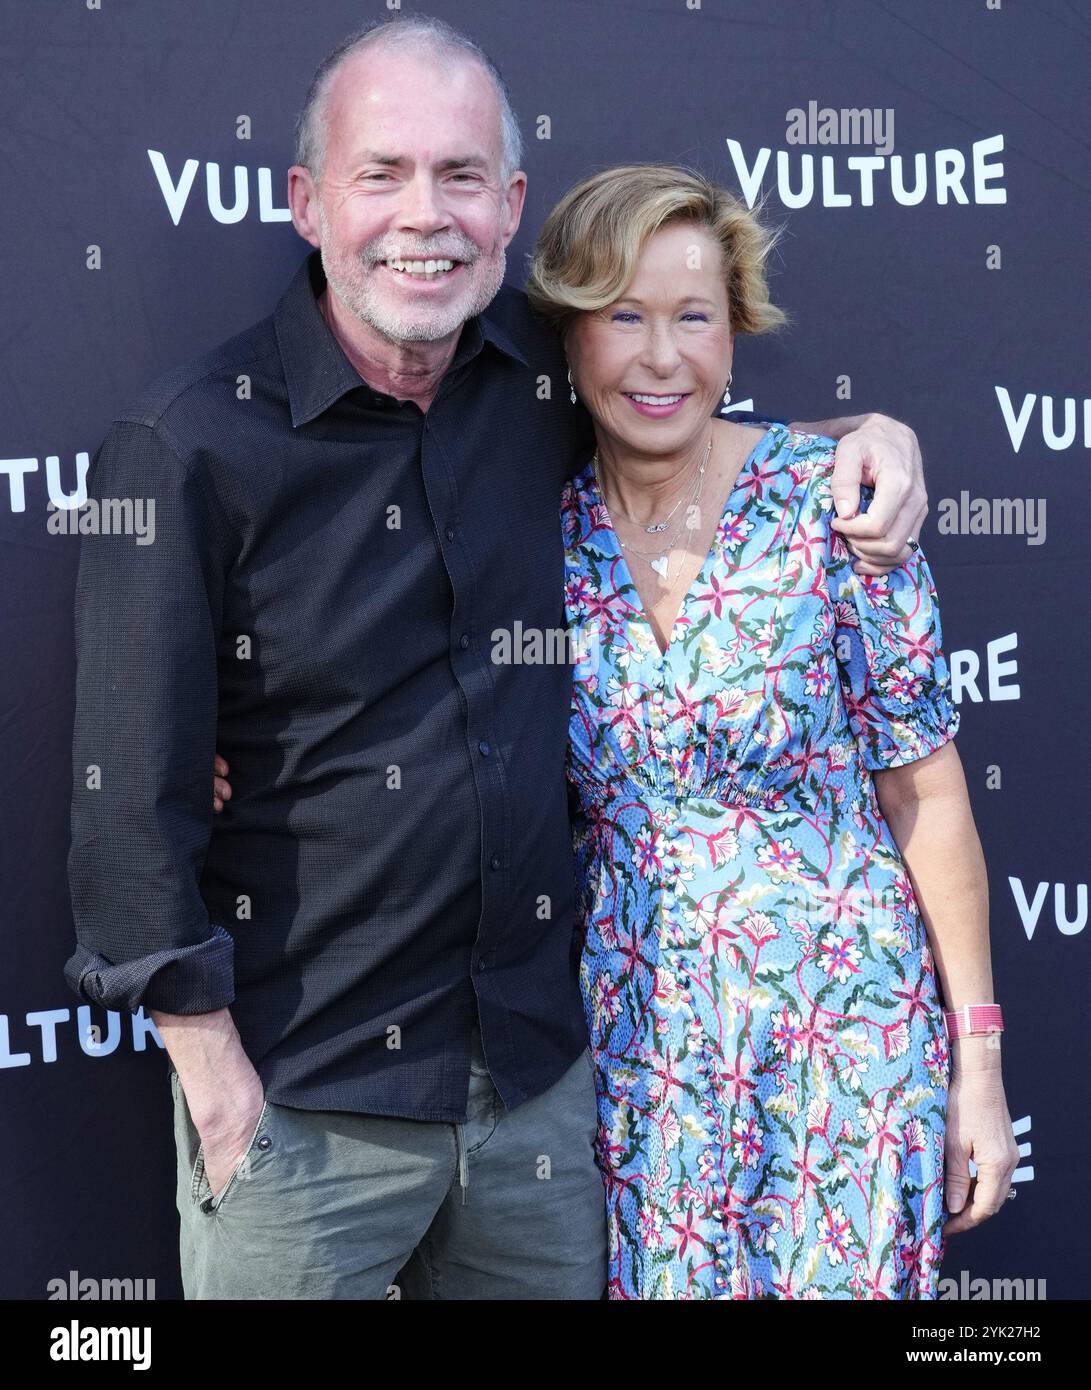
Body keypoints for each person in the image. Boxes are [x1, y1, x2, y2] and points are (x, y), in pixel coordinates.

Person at [68, 15, 933, 1301]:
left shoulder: (539, 376)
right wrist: (217, 1085)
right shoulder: (191, 444)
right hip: (307, 1111)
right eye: (383, 174)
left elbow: (681, 422)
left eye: (461, 176)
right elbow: (128, 812)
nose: (426, 216)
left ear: (509, 203)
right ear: (306, 201)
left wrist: (869, 435)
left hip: (542, 1098)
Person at [521, 163, 1019, 1298]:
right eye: (623, 317)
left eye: (693, 316)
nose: (661, 357)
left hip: (842, 1047)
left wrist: (976, 1063)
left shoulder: (836, 509)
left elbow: (924, 795)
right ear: (570, 337)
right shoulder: (532, 544)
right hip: (638, 1060)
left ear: (734, 333)